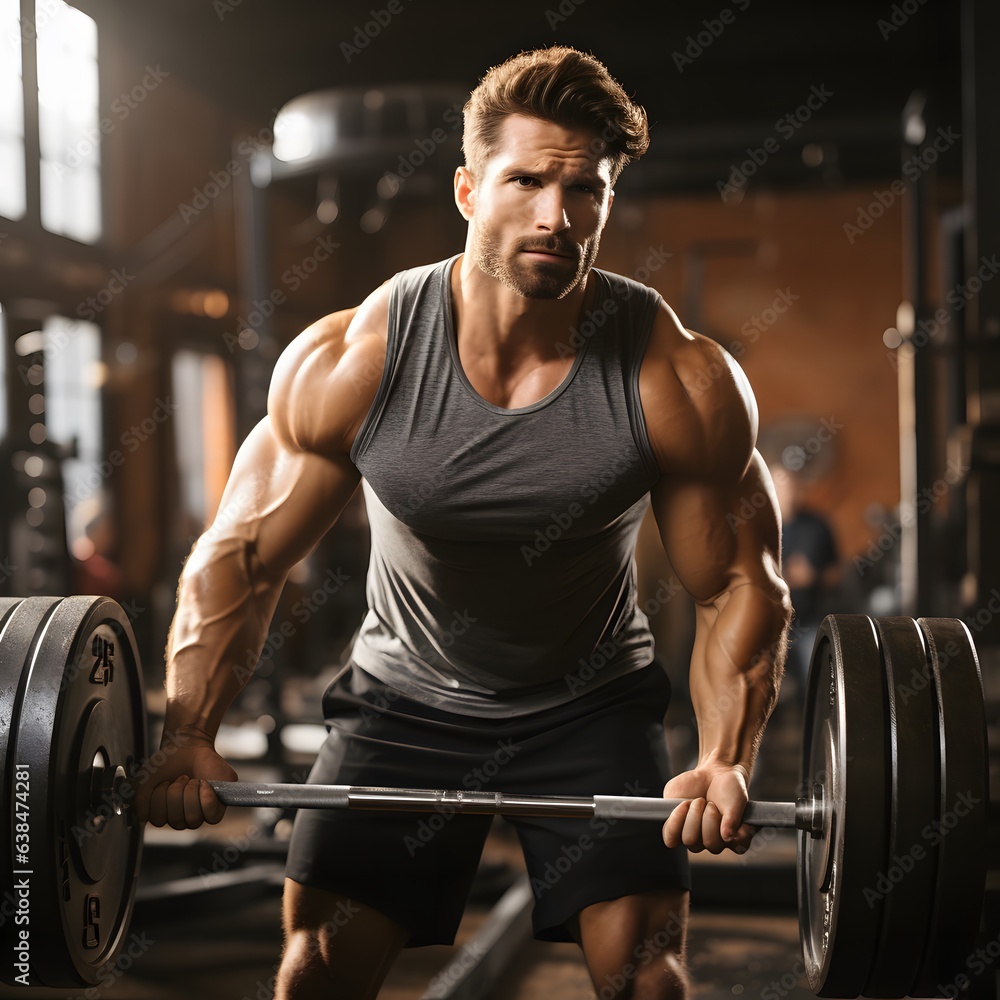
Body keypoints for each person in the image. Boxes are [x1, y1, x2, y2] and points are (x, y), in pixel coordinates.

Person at [138, 46, 791, 1000]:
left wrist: (725, 759)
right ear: (466, 188)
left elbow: (738, 582)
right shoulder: (357, 359)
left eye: (585, 190)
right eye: (525, 180)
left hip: (590, 703)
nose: (554, 217)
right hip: (405, 698)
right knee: (315, 974)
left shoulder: (678, 377)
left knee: (648, 983)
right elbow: (240, 556)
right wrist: (189, 732)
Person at [770, 464, 840, 693]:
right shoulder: (758, 525)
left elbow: (835, 572)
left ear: (799, 490)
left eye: (791, 487)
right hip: (767, 619)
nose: (786, 494)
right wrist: (784, 576)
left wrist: (814, 577)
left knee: (816, 666)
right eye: (781, 488)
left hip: (809, 618)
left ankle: (810, 724)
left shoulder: (818, 526)